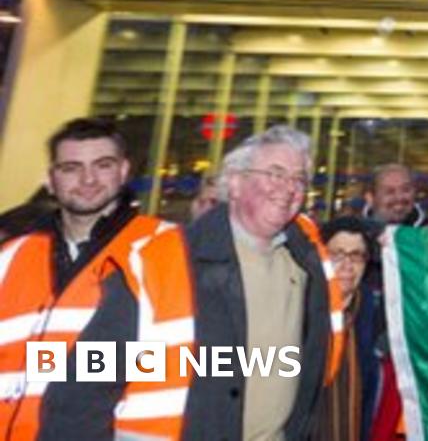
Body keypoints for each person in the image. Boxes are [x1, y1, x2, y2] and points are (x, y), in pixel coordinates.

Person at [41, 125, 344, 439]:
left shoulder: (307, 260)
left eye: (298, 179)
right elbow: (82, 390)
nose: (289, 188)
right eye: (275, 173)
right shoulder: (162, 261)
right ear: (236, 183)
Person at [0, 118, 166, 440]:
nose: (88, 179)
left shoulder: (162, 249)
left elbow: (176, 359)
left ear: (123, 170)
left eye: (103, 165)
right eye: (71, 168)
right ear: (50, 180)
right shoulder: (11, 255)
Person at [317, 217, 388, 441]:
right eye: (337, 254)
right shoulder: (299, 309)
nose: (347, 265)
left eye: (356, 255)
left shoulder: (375, 316)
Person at [365, 163, 428, 228]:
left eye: (406, 190)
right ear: (370, 198)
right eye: (390, 191)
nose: (399, 197)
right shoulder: (357, 231)